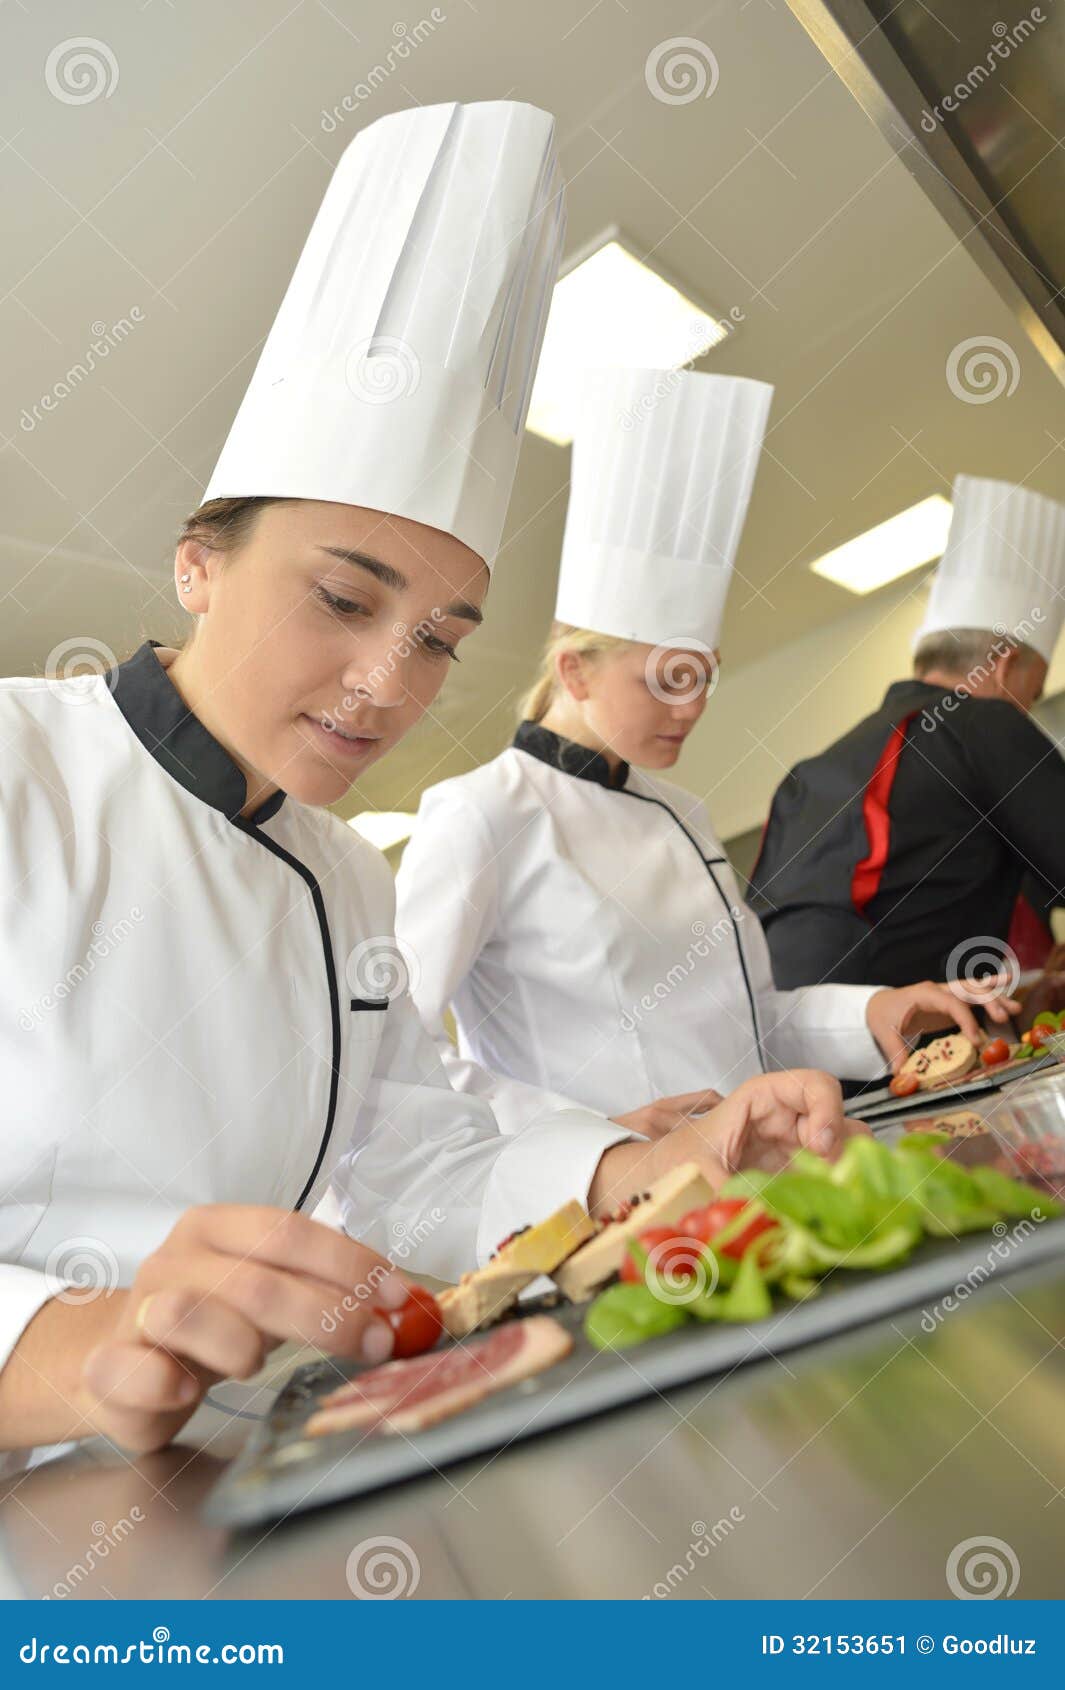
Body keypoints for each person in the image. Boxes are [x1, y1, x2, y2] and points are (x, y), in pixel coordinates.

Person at [0, 105, 864, 1464]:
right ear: (199, 564)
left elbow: (416, 1154)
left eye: (441, 640)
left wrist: (634, 1171)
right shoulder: (16, 771)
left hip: (212, 1481)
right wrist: (52, 1346)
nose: (386, 684)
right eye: (344, 598)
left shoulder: (344, 873)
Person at [395, 371, 1015, 1127]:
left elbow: (755, 1023)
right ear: (573, 670)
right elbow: (401, 1050)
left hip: (757, 1168)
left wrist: (875, 1010)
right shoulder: (480, 812)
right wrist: (585, 1136)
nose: (690, 708)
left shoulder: (679, 814)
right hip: (608, 1202)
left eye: (703, 679)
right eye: (666, 680)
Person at [748, 476, 1065, 989]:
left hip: (793, 1038)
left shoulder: (813, 770)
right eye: (1036, 689)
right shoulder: (984, 722)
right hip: (903, 1049)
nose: (1028, 707)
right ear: (1005, 667)